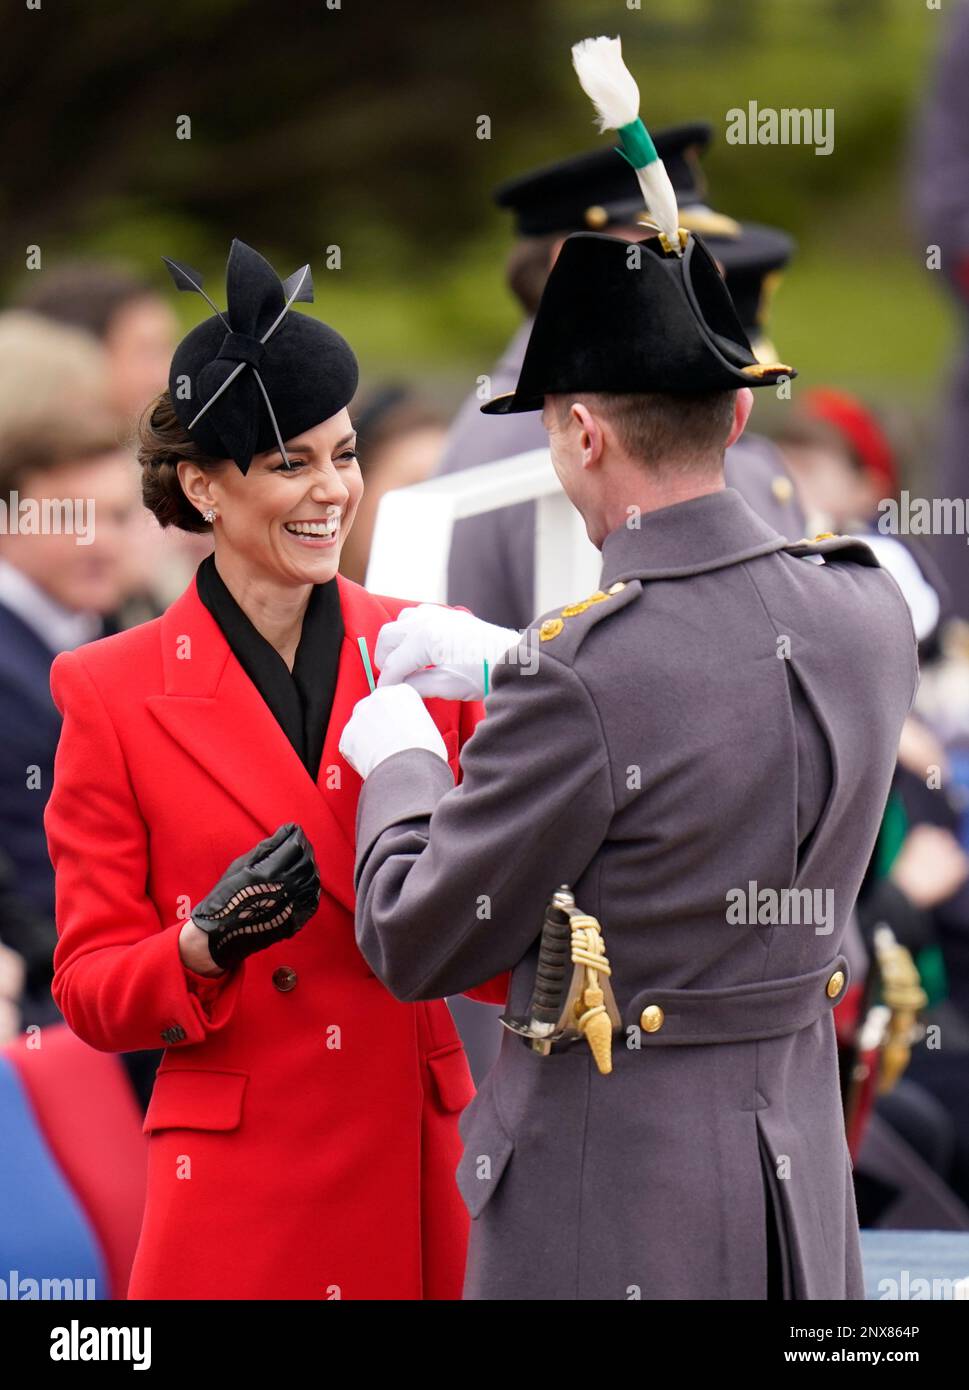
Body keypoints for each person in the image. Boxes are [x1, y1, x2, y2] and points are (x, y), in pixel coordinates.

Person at [340, 229, 919, 1299]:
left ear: (583, 434)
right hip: (797, 1176)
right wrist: (513, 658)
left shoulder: (580, 674)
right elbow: (713, 682)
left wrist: (405, 763)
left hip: (617, 1198)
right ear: (738, 414)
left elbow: (417, 937)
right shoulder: (867, 609)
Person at [45, 239, 503, 1301]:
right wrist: (201, 946)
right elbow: (89, 986)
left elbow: (494, 929)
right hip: (240, 1174)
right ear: (204, 486)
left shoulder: (429, 647)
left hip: (414, 1142)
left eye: (344, 455)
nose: (334, 490)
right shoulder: (107, 690)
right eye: (292, 461)